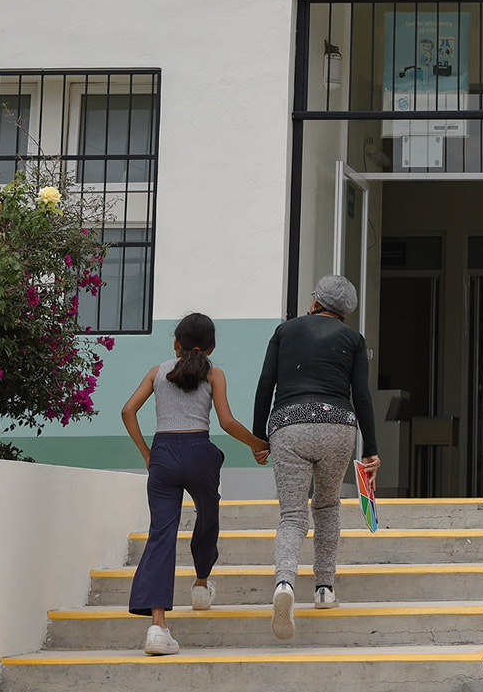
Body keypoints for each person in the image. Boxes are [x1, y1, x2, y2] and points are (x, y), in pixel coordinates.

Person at [119, 312, 268, 656]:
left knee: (161, 534)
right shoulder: (214, 374)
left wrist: (146, 453)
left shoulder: (158, 371)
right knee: (208, 516)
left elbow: (128, 410)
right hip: (199, 451)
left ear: (176, 343)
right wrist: (258, 444)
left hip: (164, 453)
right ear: (212, 346)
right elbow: (227, 422)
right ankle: (201, 582)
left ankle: (158, 628)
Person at [252, 273, 380, 641]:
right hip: (338, 424)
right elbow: (362, 395)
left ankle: (284, 585)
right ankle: (324, 588)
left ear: (314, 303)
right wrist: (371, 449)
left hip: (289, 424)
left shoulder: (285, 331)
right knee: (327, 506)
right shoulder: (354, 339)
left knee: (293, 515)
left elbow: (266, 385)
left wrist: (260, 437)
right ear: (345, 313)